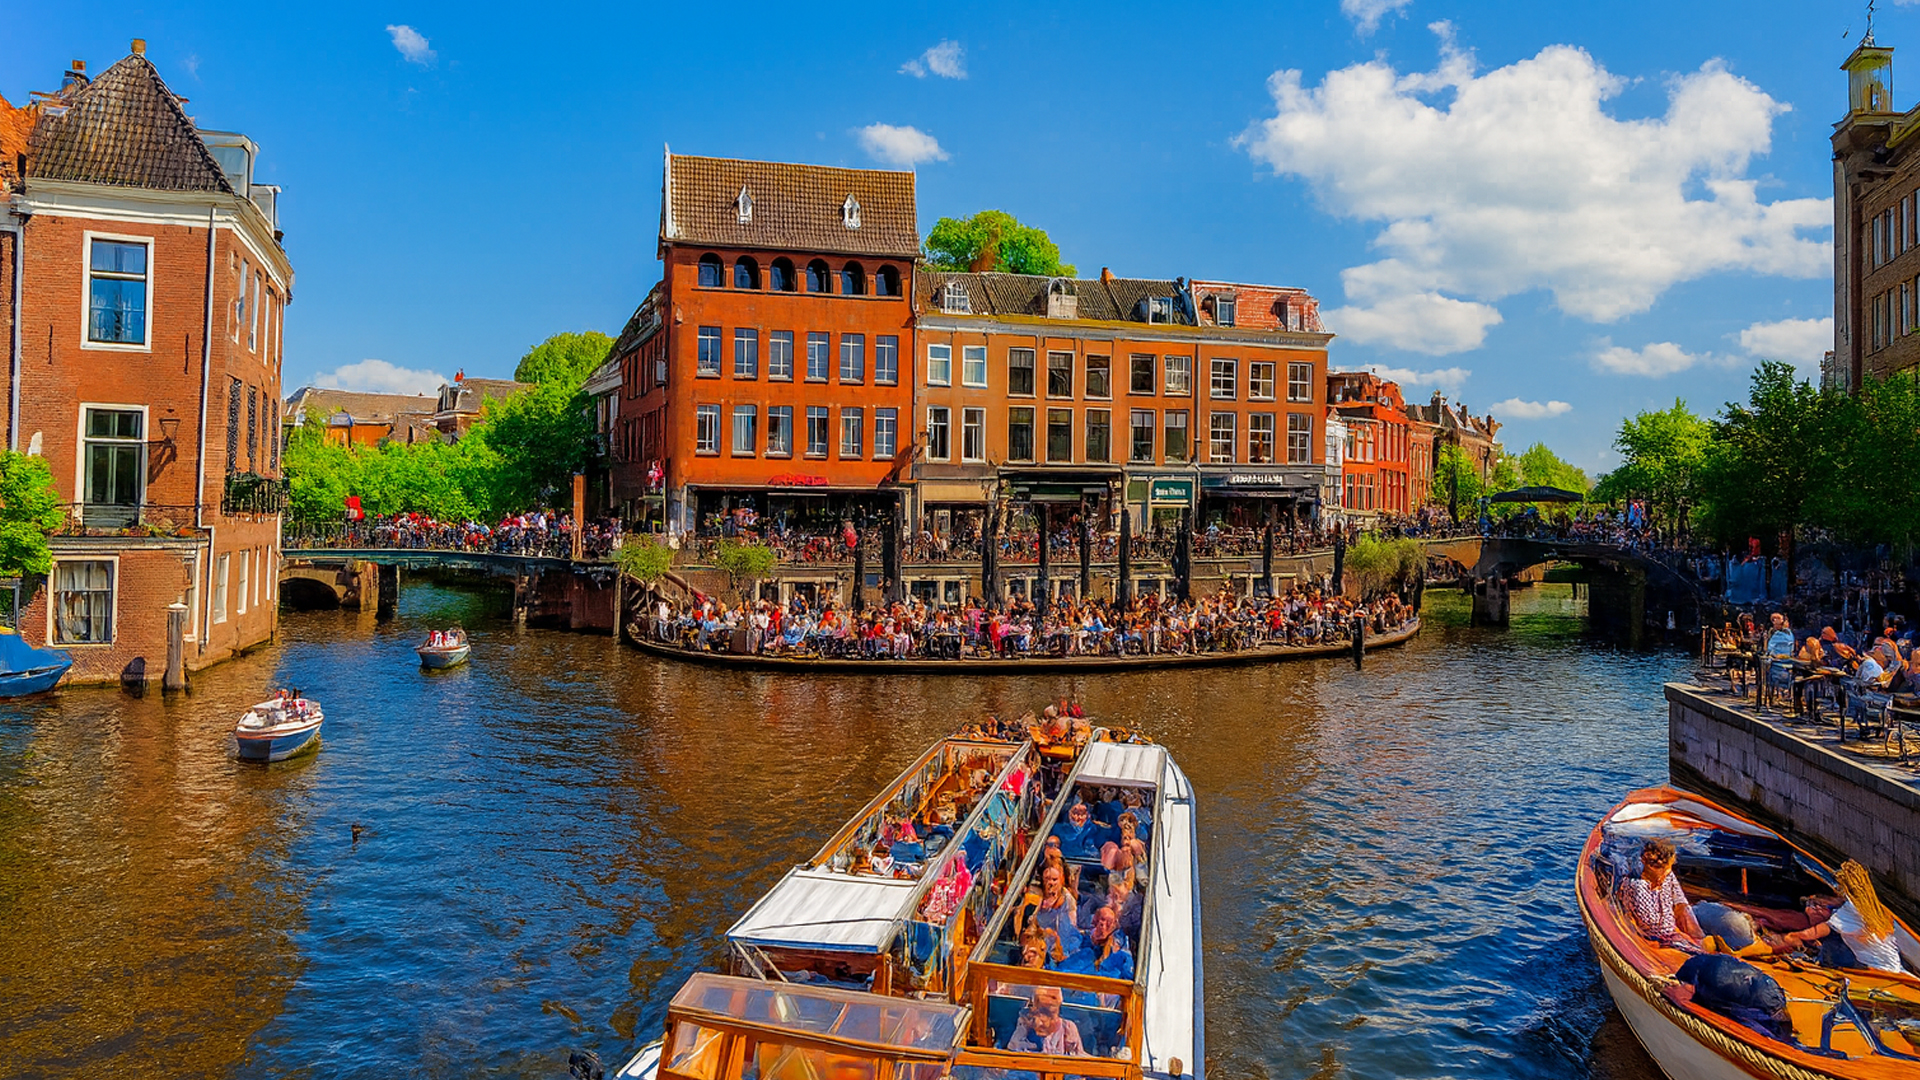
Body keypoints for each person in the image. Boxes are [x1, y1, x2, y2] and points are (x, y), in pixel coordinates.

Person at [1774, 860, 1907, 973]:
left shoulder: (1845, 914)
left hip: (1875, 969)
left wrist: (1793, 936)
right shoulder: (1874, 906)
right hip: (1894, 965)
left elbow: (1813, 933)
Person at [1622, 838, 1703, 950]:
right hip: (1657, 939)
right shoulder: (1637, 886)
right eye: (1660, 870)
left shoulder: (1666, 876)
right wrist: (1680, 937)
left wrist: (1696, 938)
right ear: (1648, 865)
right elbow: (1652, 926)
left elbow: (1680, 901)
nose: (1664, 877)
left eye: (1668, 870)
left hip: (1672, 936)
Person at [1005, 987, 1088, 1056]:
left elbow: (1079, 1057)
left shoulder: (1068, 1027)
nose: (1041, 1021)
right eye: (1040, 1012)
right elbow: (1012, 1052)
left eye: (1049, 1014)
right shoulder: (1025, 1023)